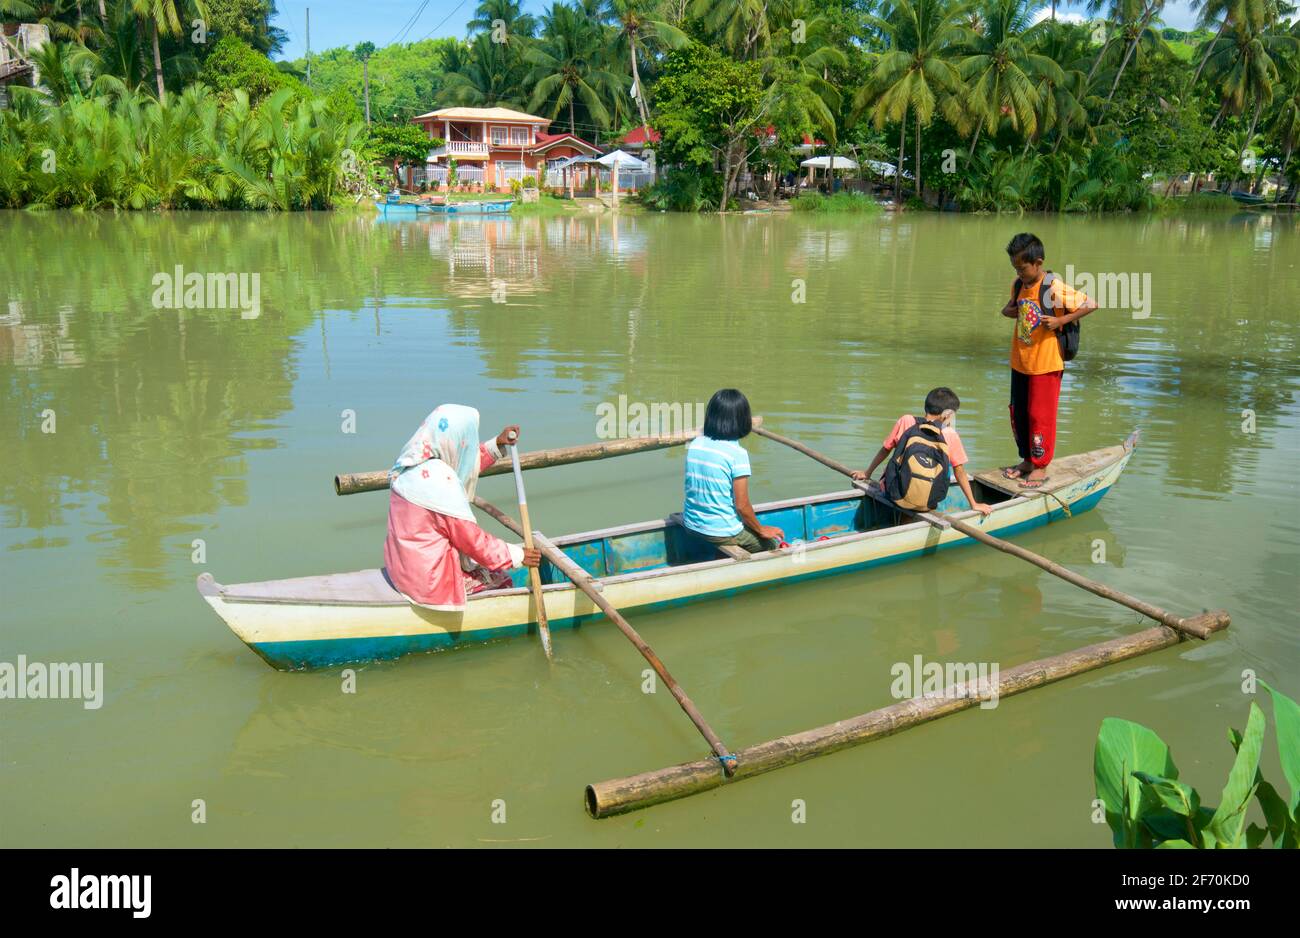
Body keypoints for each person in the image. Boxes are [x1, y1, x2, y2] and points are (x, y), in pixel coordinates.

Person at [383, 404, 539, 611]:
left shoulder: (409, 463)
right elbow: (472, 541)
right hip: (429, 583)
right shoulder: (442, 485)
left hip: (402, 569)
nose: (469, 445)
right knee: (501, 579)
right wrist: (516, 555)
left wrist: (495, 445)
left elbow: (463, 466)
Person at [1000, 232, 1097, 488]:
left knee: (1039, 415)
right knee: (1019, 412)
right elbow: (1010, 309)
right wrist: (1011, 310)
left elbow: (1091, 303)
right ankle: (1027, 461)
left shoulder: (1052, 287)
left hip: (1046, 363)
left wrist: (1060, 321)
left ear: (1038, 262)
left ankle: (1040, 466)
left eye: (1023, 268)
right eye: (1016, 268)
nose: (1019, 273)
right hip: (1020, 360)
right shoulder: (1019, 285)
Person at [850, 387, 993, 517]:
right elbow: (959, 471)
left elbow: (886, 449)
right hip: (927, 505)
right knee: (948, 466)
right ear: (947, 415)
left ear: (926, 406)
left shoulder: (906, 420)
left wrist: (867, 473)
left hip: (892, 494)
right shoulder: (950, 434)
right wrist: (974, 504)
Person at [682, 389, 784, 553]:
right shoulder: (737, 454)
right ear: (743, 420)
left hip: (691, 524)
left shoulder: (695, 443)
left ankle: (719, 557)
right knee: (771, 545)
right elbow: (742, 506)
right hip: (720, 532)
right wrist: (762, 530)